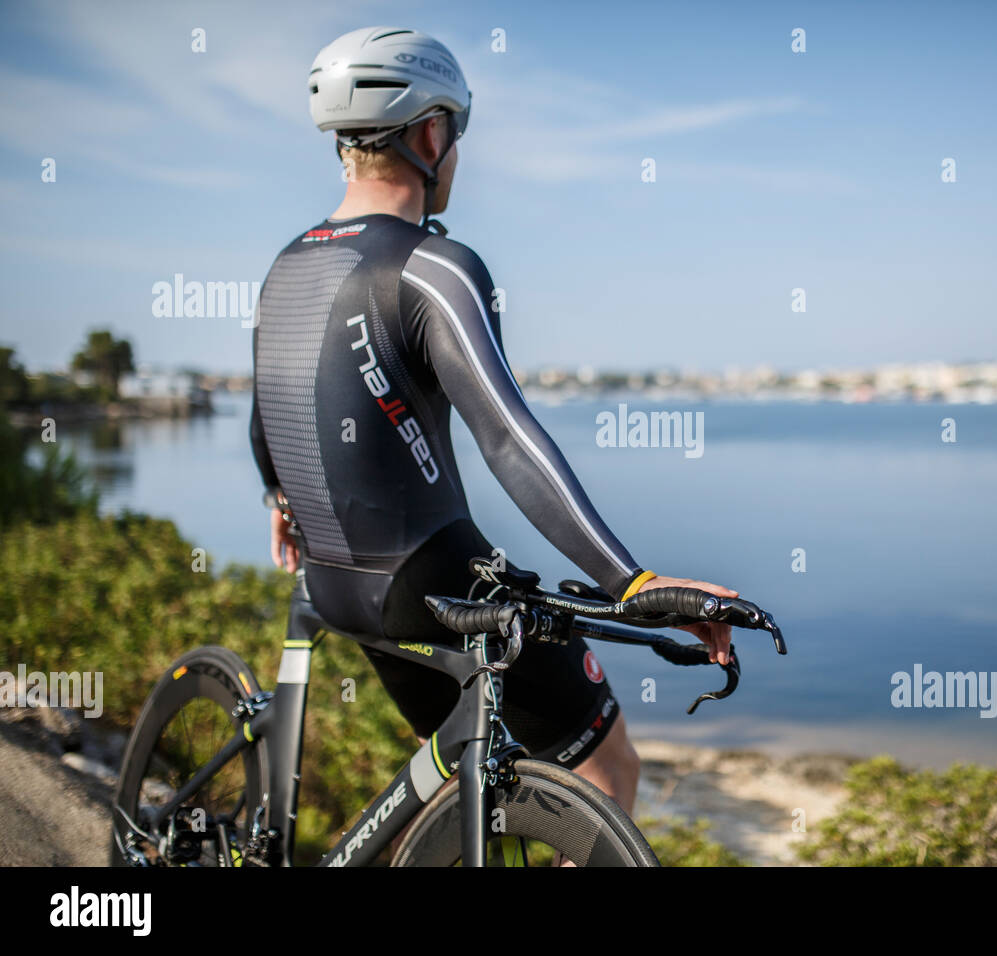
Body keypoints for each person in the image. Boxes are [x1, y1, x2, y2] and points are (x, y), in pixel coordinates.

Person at [249, 26, 735, 816]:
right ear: (432, 132)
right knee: (608, 773)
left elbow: (270, 410)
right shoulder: (435, 267)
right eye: (457, 134)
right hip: (432, 587)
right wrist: (633, 581)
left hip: (332, 580)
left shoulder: (288, 264)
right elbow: (507, 437)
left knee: (442, 783)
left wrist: (280, 499)